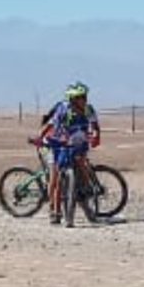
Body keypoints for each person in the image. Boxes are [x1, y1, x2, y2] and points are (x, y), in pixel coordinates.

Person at [38, 82, 101, 225]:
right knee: (56, 178)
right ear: (73, 99)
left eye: (85, 96)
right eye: (81, 97)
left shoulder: (88, 110)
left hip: (79, 144)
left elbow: (95, 126)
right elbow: (52, 124)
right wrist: (41, 136)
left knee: (81, 166)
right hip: (60, 145)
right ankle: (54, 210)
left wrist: (96, 135)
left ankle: (86, 195)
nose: (84, 99)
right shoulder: (63, 109)